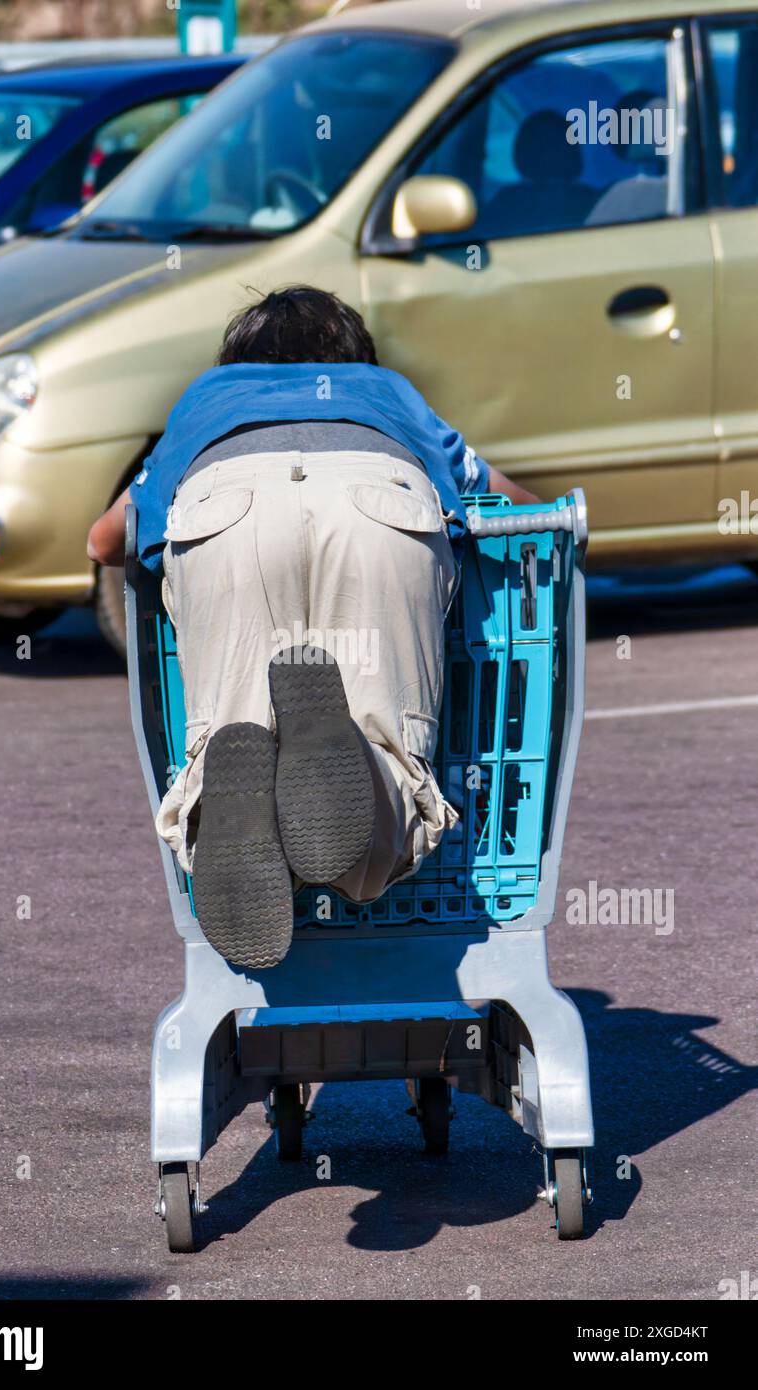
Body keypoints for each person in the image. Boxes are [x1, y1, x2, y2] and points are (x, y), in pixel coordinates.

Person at [88, 287, 538, 970]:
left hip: (227, 504)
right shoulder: (388, 396)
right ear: (356, 356)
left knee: (222, 739)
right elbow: (519, 508)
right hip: (379, 498)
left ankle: (225, 811)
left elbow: (101, 541)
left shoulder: (206, 404)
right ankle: (363, 767)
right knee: (398, 760)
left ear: (240, 358)